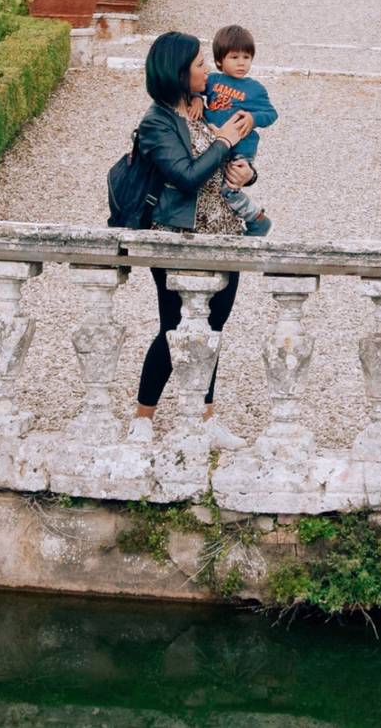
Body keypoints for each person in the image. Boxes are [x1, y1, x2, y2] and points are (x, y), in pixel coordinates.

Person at [131, 31, 256, 447]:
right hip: (178, 239)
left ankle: (206, 418)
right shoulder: (156, 123)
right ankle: (143, 418)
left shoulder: (202, 111)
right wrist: (224, 142)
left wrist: (246, 173)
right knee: (173, 328)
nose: (208, 70)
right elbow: (184, 176)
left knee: (213, 328)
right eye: (200, 64)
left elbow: (221, 164)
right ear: (178, 72)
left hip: (224, 236)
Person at [203, 24, 276, 237]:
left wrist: (253, 118)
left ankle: (257, 219)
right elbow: (193, 89)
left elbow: (271, 114)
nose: (241, 63)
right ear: (219, 61)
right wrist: (198, 100)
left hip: (242, 147)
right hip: (217, 143)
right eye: (234, 57)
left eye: (246, 57)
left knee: (229, 188)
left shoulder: (255, 89)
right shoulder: (212, 81)